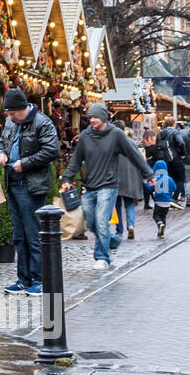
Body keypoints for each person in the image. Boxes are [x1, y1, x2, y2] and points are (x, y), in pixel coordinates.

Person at [61, 103, 154, 270]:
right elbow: (76, 160)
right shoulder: (84, 136)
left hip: (109, 185)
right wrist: (67, 178)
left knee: (102, 222)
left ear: (104, 118)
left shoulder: (116, 134)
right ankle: (113, 240)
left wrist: (148, 174)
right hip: (90, 186)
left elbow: (134, 154)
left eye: (95, 117)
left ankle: (102, 257)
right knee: (91, 223)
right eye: (89, 117)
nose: (92, 120)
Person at [0, 87, 59, 296]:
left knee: (32, 232)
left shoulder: (42, 123)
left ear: (22, 108)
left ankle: (39, 279)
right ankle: (23, 279)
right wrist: (2, 153)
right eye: (8, 114)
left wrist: (26, 164)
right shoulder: (11, 122)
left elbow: (51, 150)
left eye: (12, 113)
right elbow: (1, 142)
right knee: (19, 234)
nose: (10, 117)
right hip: (12, 181)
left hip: (30, 184)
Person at [114, 121, 146, 239]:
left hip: (115, 178)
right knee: (129, 204)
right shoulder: (133, 143)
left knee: (117, 205)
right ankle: (131, 225)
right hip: (130, 177)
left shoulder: (112, 144)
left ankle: (119, 229)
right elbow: (141, 161)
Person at [155, 116, 186, 209]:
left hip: (163, 160)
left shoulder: (160, 133)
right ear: (174, 123)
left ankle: (167, 198)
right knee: (180, 179)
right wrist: (182, 154)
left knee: (167, 178)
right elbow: (181, 143)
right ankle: (174, 198)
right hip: (175, 158)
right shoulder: (175, 132)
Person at [150, 161, 176, 237]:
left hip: (158, 201)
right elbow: (174, 187)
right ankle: (161, 232)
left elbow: (149, 187)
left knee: (156, 215)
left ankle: (159, 223)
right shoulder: (169, 179)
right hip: (167, 202)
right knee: (163, 216)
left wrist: (145, 183)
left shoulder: (156, 179)